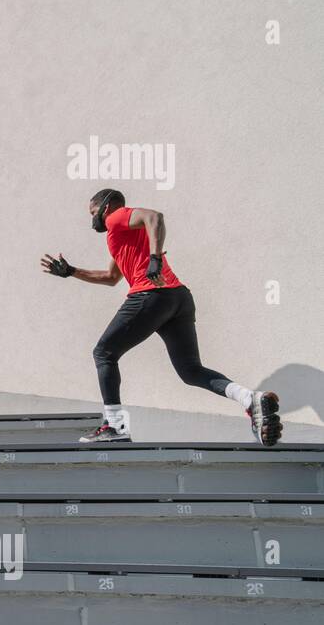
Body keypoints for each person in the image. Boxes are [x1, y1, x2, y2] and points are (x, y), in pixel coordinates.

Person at [41, 189, 282, 445]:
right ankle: (249, 398)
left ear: (106, 207)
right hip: (178, 298)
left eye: (93, 213)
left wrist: (155, 259)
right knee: (190, 370)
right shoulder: (123, 236)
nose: (93, 221)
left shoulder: (116, 217)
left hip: (150, 295)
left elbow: (154, 216)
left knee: (104, 353)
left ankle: (114, 426)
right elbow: (111, 278)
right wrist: (71, 271)